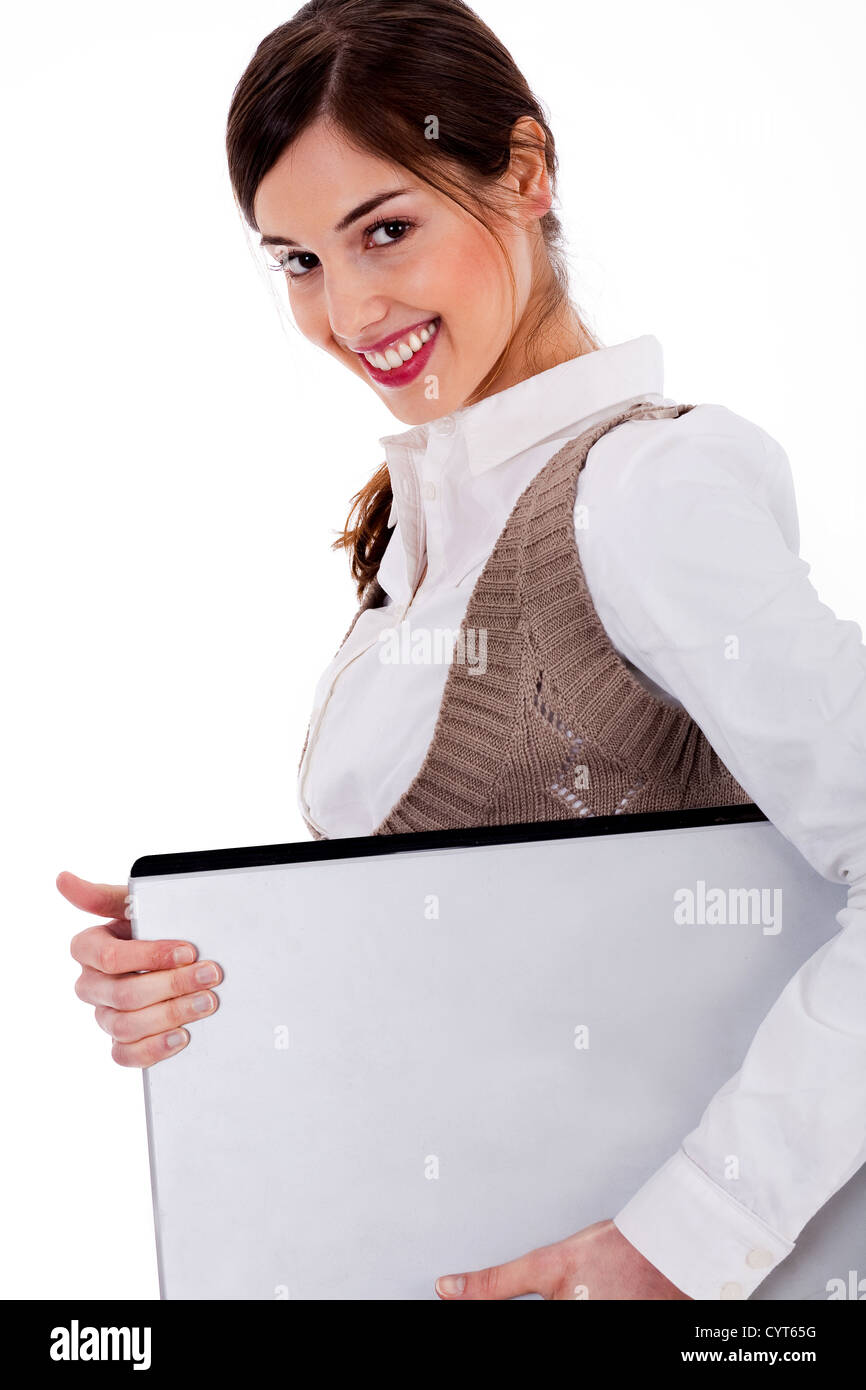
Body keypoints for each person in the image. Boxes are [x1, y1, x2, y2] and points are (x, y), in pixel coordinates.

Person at [59, 0, 866, 1302]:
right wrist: (212, 960)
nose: (347, 308)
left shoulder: (648, 489)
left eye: (385, 230)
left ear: (525, 173)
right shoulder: (408, 537)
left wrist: (684, 1238)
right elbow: (487, 953)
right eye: (298, 262)